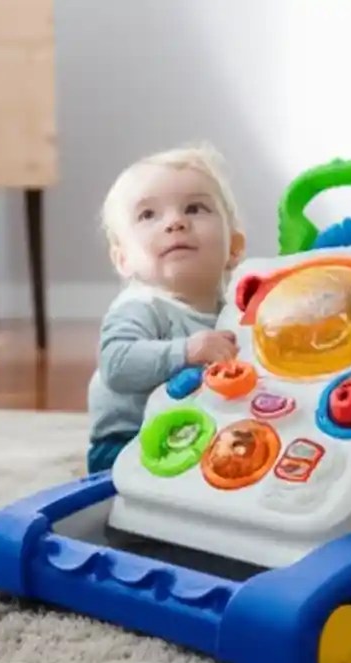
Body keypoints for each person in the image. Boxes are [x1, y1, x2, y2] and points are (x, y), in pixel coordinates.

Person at [86, 143, 248, 474]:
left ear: (234, 248)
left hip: (199, 435)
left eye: (194, 208)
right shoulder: (140, 306)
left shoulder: (235, 312)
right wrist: (188, 351)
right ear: (123, 259)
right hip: (130, 443)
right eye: (148, 215)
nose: (175, 222)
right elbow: (116, 363)